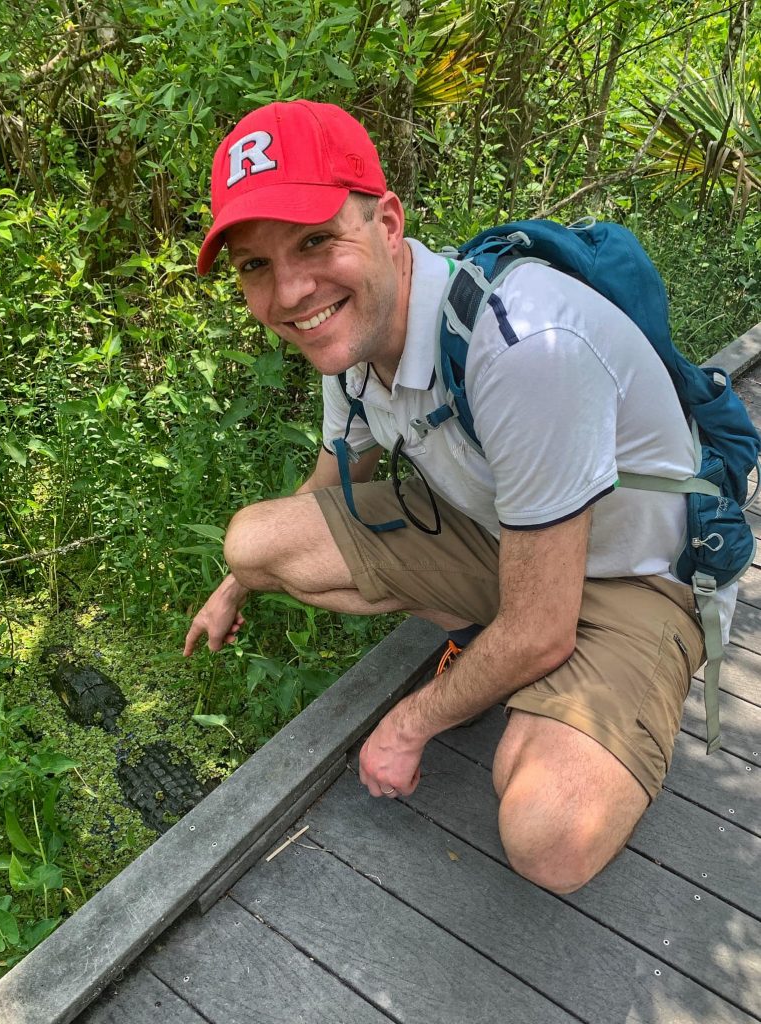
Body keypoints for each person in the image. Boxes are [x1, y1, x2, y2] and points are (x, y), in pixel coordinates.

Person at [184, 99, 712, 895]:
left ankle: (562, 681)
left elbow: (540, 626)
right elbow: (341, 472)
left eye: (315, 240)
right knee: (254, 544)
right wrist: (236, 584)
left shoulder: (522, 345)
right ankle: (494, 654)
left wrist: (408, 723)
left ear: (387, 222)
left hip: (635, 578)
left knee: (548, 839)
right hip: (507, 543)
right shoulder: (356, 342)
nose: (289, 292)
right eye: (255, 265)